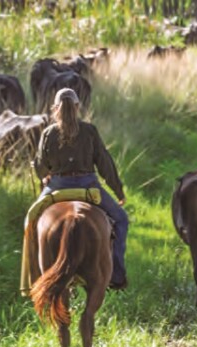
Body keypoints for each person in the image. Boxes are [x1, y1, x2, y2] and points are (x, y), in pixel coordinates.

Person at [33, 88, 129, 290]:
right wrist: (118, 190)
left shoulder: (48, 133)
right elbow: (104, 163)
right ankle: (117, 275)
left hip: (57, 185)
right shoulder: (89, 130)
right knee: (121, 219)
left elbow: (41, 166)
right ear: (77, 107)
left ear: (55, 108)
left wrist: (43, 176)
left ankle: (34, 278)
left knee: (31, 221)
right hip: (88, 185)